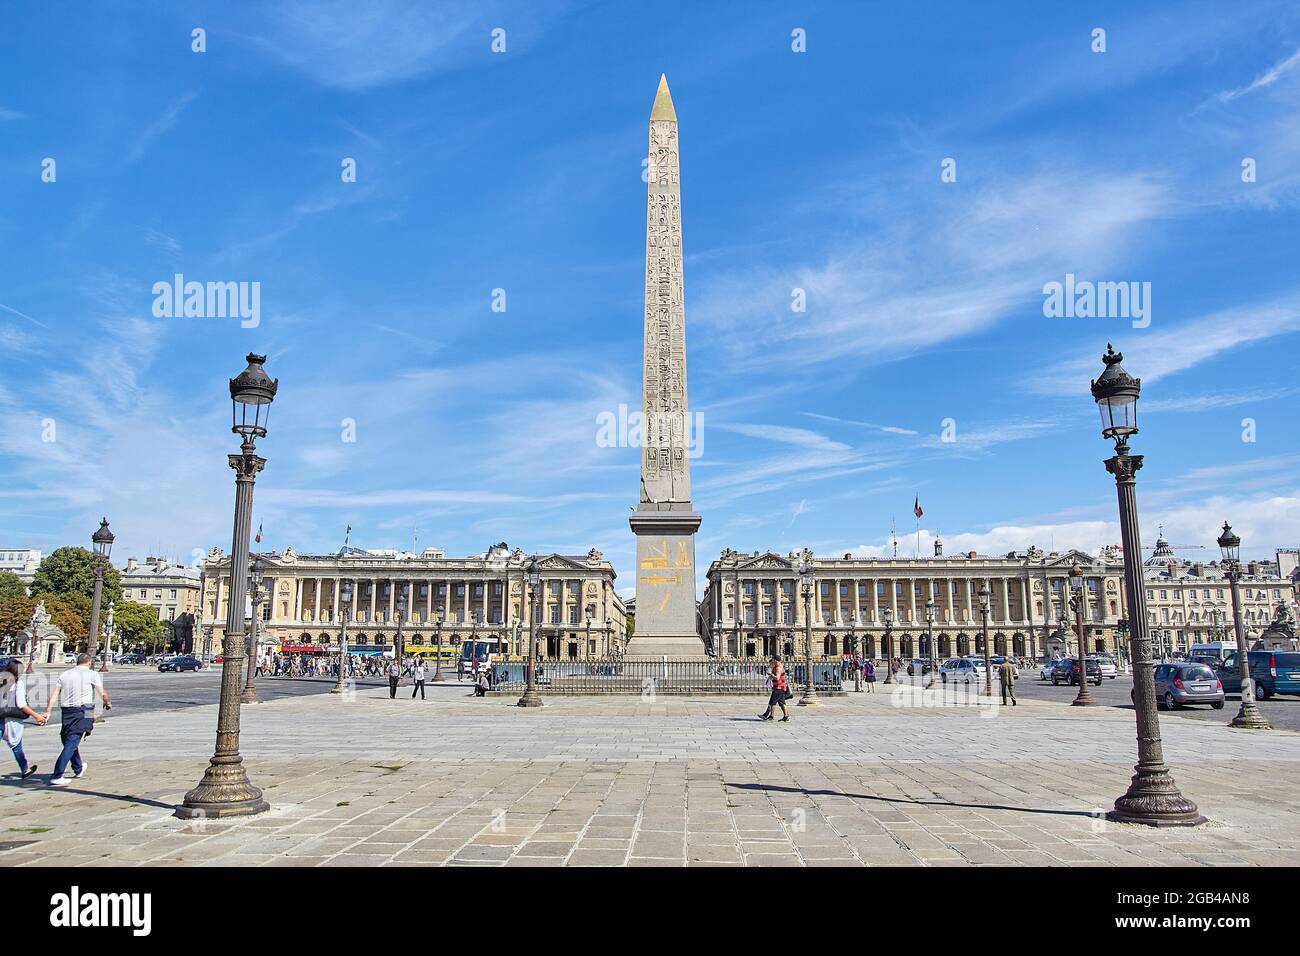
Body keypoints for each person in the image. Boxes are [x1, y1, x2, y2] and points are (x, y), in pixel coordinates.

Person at [42, 652, 111, 786]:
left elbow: (54, 695)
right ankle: (57, 774)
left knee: (68, 739)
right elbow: (102, 693)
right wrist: (107, 703)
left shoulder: (65, 674)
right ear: (89, 662)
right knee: (72, 741)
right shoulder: (92, 674)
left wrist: (48, 711)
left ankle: (78, 768)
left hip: (67, 711)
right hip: (84, 710)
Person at [1, 659, 47, 779]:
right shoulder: (18, 684)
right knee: (17, 746)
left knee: (17, 746)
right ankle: (25, 769)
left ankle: (25, 769)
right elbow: (22, 705)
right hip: (11, 720)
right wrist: (37, 716)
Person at [760, 656, 790, 722]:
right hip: (782, 687)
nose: (773, 661)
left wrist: (770, 674)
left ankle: (771, 716)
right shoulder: (779, 666)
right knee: (782, 702)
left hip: (779, 687)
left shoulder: (778, 668)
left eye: (773, 660)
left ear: (776, 660)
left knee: (772, 702)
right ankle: (786, 716)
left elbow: (777, 678)